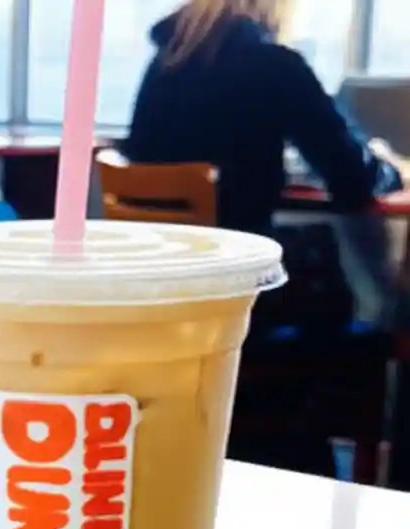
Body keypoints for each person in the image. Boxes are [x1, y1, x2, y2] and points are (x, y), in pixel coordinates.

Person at [122, 0, 408, 324]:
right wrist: (389, 169)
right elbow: (353, 179)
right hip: (241, 292)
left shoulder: (164, 63)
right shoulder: (274, 65)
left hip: (164, 288)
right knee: (372, 298)